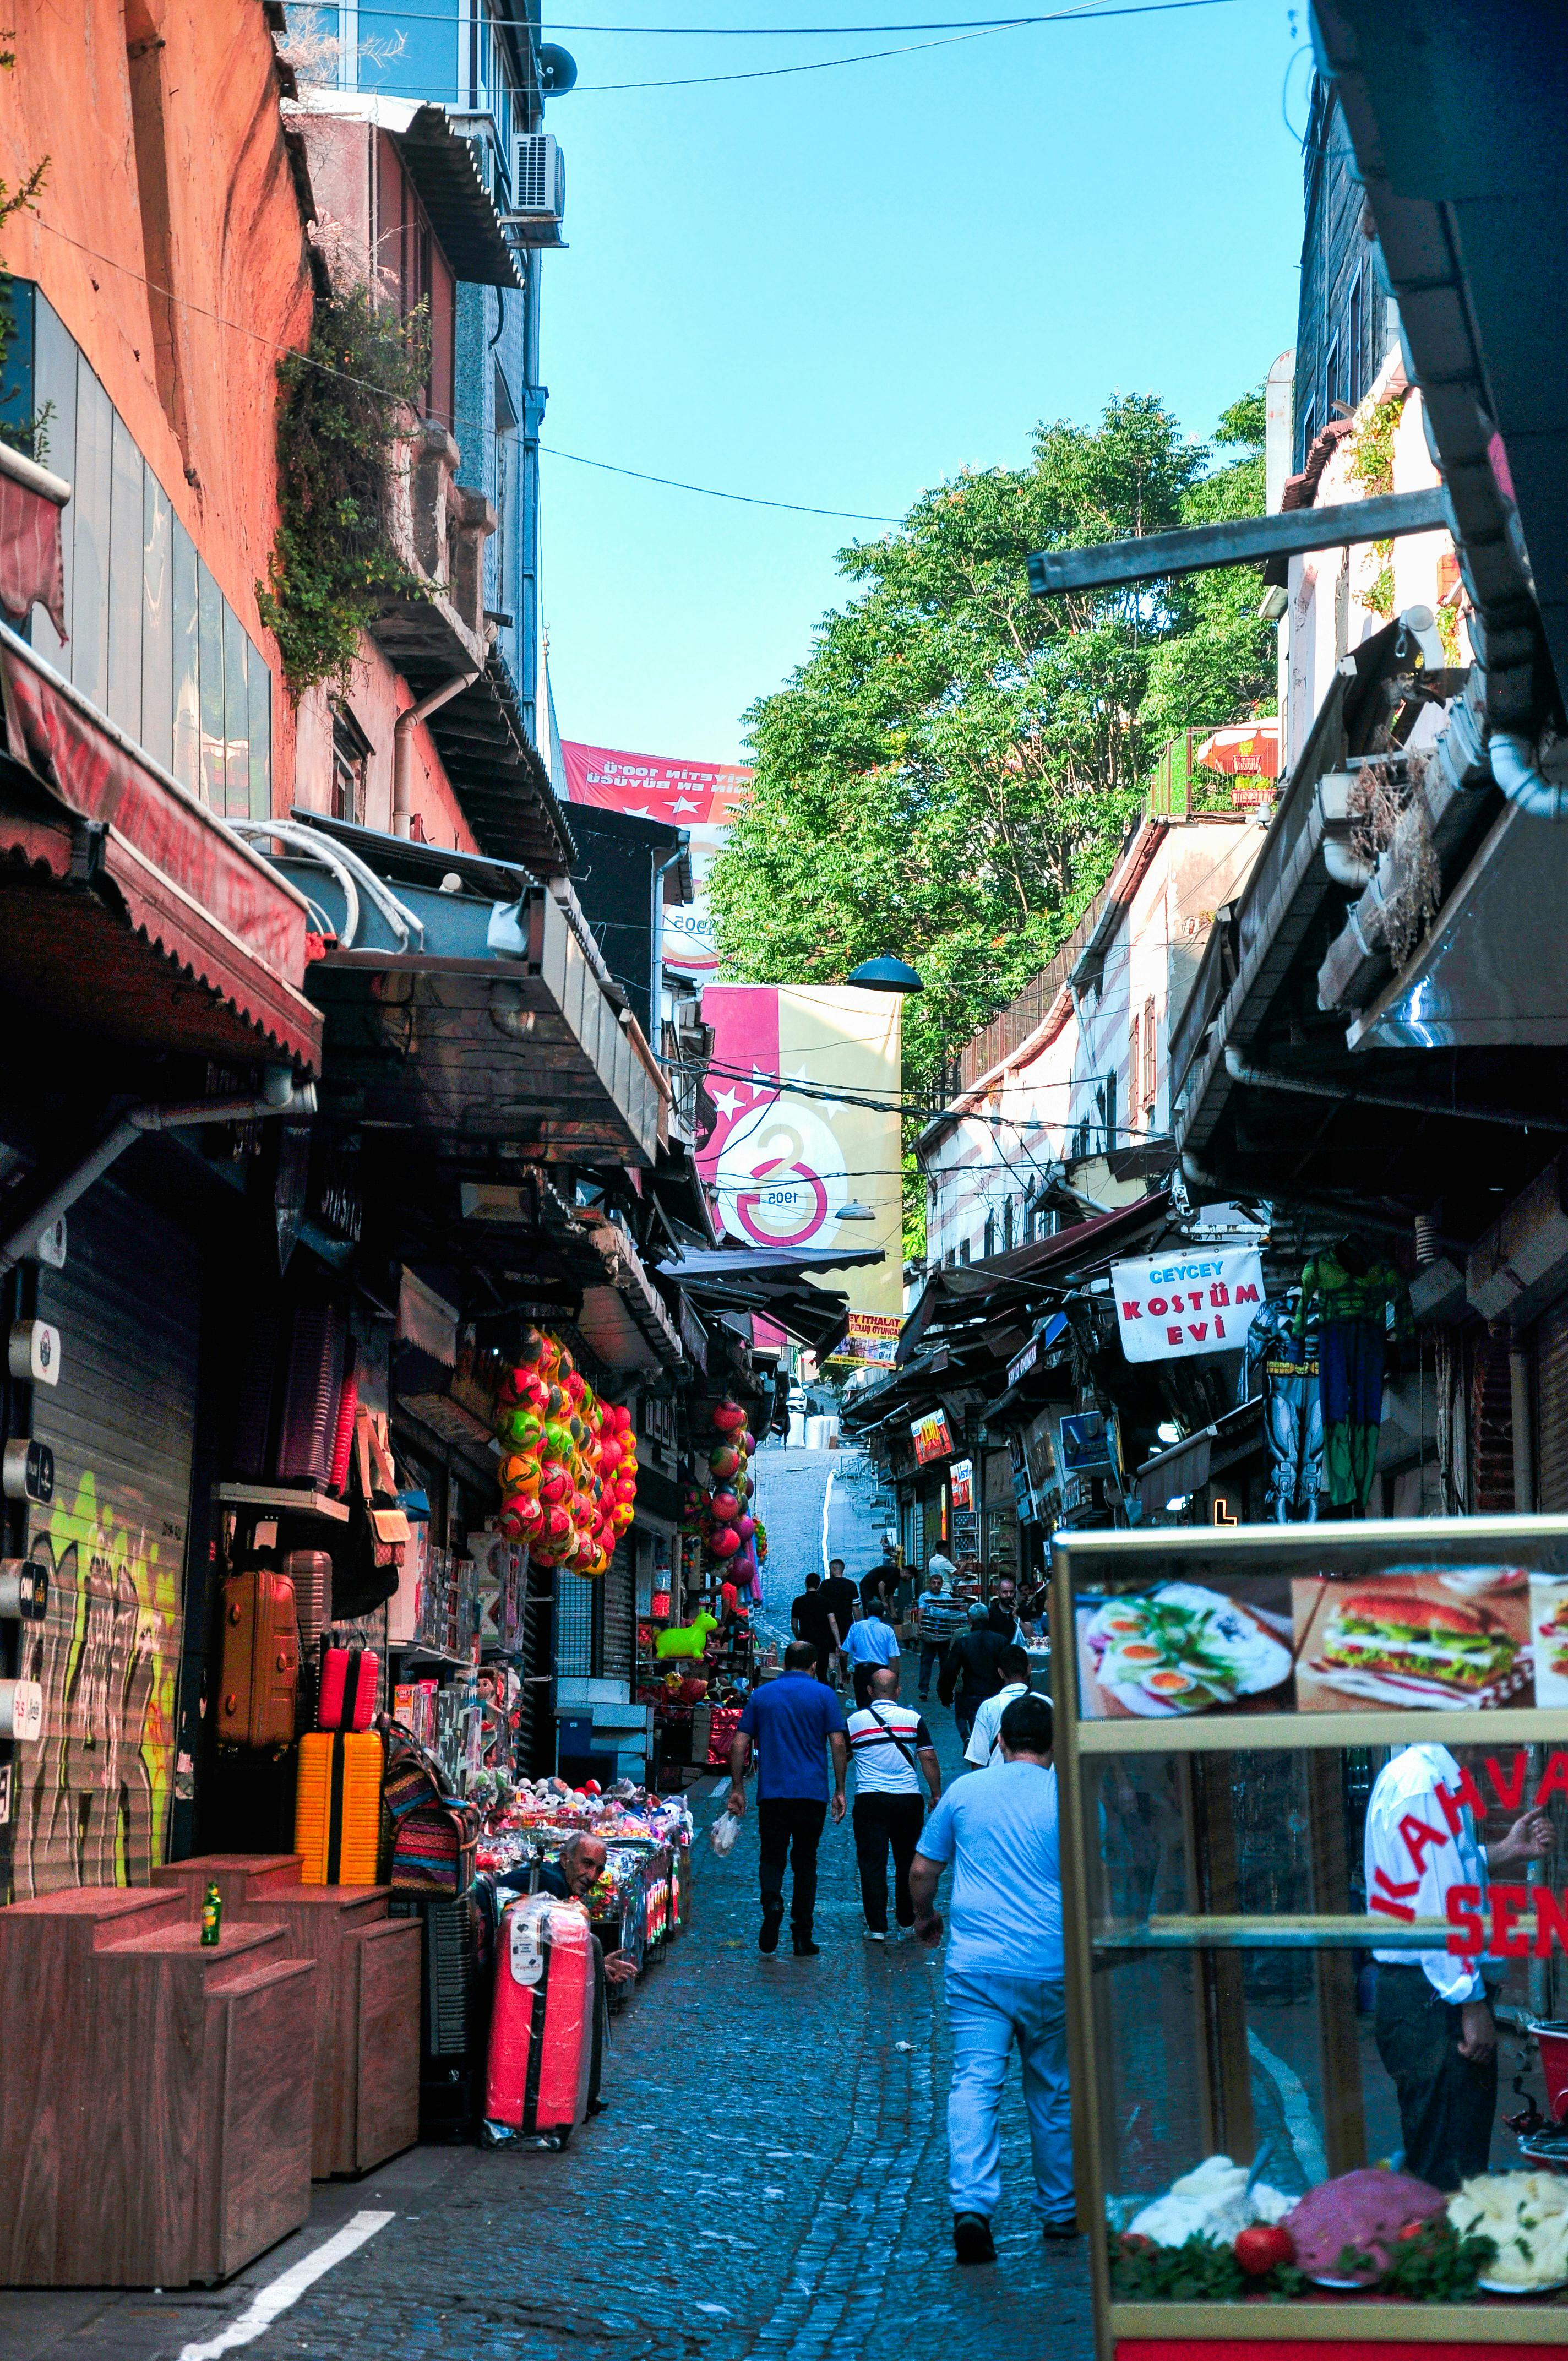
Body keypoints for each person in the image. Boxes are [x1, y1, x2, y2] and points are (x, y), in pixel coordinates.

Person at [909, 1692, 1073, 2264]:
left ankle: (971, 2205)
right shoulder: (1070, 1796)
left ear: (1000, 1740)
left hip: (977, 1966)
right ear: (1055, 1743)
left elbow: (923, 1868)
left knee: (975, 2083)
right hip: (1052, 1964)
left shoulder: (965, 1792)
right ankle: (1061, 2209)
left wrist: (925, 1917)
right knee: (1053, 2088)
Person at [1364, 1742, 1552, 2187]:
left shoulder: (1431, 1779)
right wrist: (1470, 2003)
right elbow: (1438, 1905)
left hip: (1428, 1992)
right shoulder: (1425, 1785)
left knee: (1448, 2157)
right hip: (1434, 1996)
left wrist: (1504, 1851)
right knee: (1452, 2174)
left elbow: (1442, 1873)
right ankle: (1443, 2247)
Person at [727, 1639, 848, 1956]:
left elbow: (739, 1742)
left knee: (771, 1856)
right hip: (812, 1794)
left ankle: (772, 1902)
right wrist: (840, 1788)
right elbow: (837, 1742)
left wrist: (738, 1787)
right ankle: (802, 1936)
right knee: (806, 1863)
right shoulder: (824, 1695)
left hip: (773, 1794)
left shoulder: (762, 1695)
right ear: (813, 1666)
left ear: (784, 1661)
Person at [846, 1666, 942, 1939]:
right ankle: (906, 1920)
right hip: (907, 1800)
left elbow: (843, 1752)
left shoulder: (855, 1722)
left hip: (870, 1799)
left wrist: (840, 1787)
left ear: (869, 1691)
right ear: (898, 1691)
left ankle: (876, 1927)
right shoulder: (913, 1719)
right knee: (906, 1861)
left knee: (871, 1863)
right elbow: (928, 1758)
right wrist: (936, 1795)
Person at [939, 1601, 1010, 1747]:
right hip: (995, 1693)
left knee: (977, 1730)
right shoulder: (1001, 1641)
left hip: (972, 1693)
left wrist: (945, 1695)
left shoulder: (963, 1642)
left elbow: (950, 1671)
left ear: (969, 1620)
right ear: (988, 1618)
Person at [963, 1644, 1032, 1767]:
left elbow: (978, 1759)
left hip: (998, 1781)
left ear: (1001, 1673)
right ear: (1029, 1670)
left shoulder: (989, 1707)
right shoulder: (1046, 1704)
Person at [913, 1557, 966, 1699]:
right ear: (930, 1584)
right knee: (926, 1662)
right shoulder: (925, 1597)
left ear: (942, 1585)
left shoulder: (947, 1597)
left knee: (945, 1663)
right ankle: (924, 1689)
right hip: (930, 1633)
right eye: (934, 1583)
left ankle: (942, 1688)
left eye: (938, 1583)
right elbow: (921, 1611)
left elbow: (954, 1613)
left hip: (944, 1634)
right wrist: (920, 1625)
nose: (936, 1585)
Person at [841, 1596, 901, 1708]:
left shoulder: (856, 1627)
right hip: (881, 1671)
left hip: (861, 1671)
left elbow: (844, 1654)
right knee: (881, 1705)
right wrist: (894, 1680)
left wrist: (844, 1671)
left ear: (867, 1612)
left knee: (863, 1705)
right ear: (883, 1613)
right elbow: (894, 1659)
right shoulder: (887, 1630)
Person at [818, 1559, 860, 1684]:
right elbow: (856, 1608)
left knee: (831, 1650)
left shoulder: (825, 1585)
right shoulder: (851, 1585)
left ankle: (832, 1671)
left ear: (833, 1569)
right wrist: (858, 1624)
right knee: (844, 1649)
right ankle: (842, 1677)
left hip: (829, 1622)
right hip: (847, 1621)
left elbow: (820, 1605)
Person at [792, 1572, 835, 1683]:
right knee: (822, 1674)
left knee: (805, 1672)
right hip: (822, 1642)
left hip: (805, 1641)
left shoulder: (798, 1601)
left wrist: (799, 1637)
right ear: (819, 1585)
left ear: (806, 1584)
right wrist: (838, 1642)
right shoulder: (826, 1601)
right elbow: (833, 1622)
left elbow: (794, 1624)